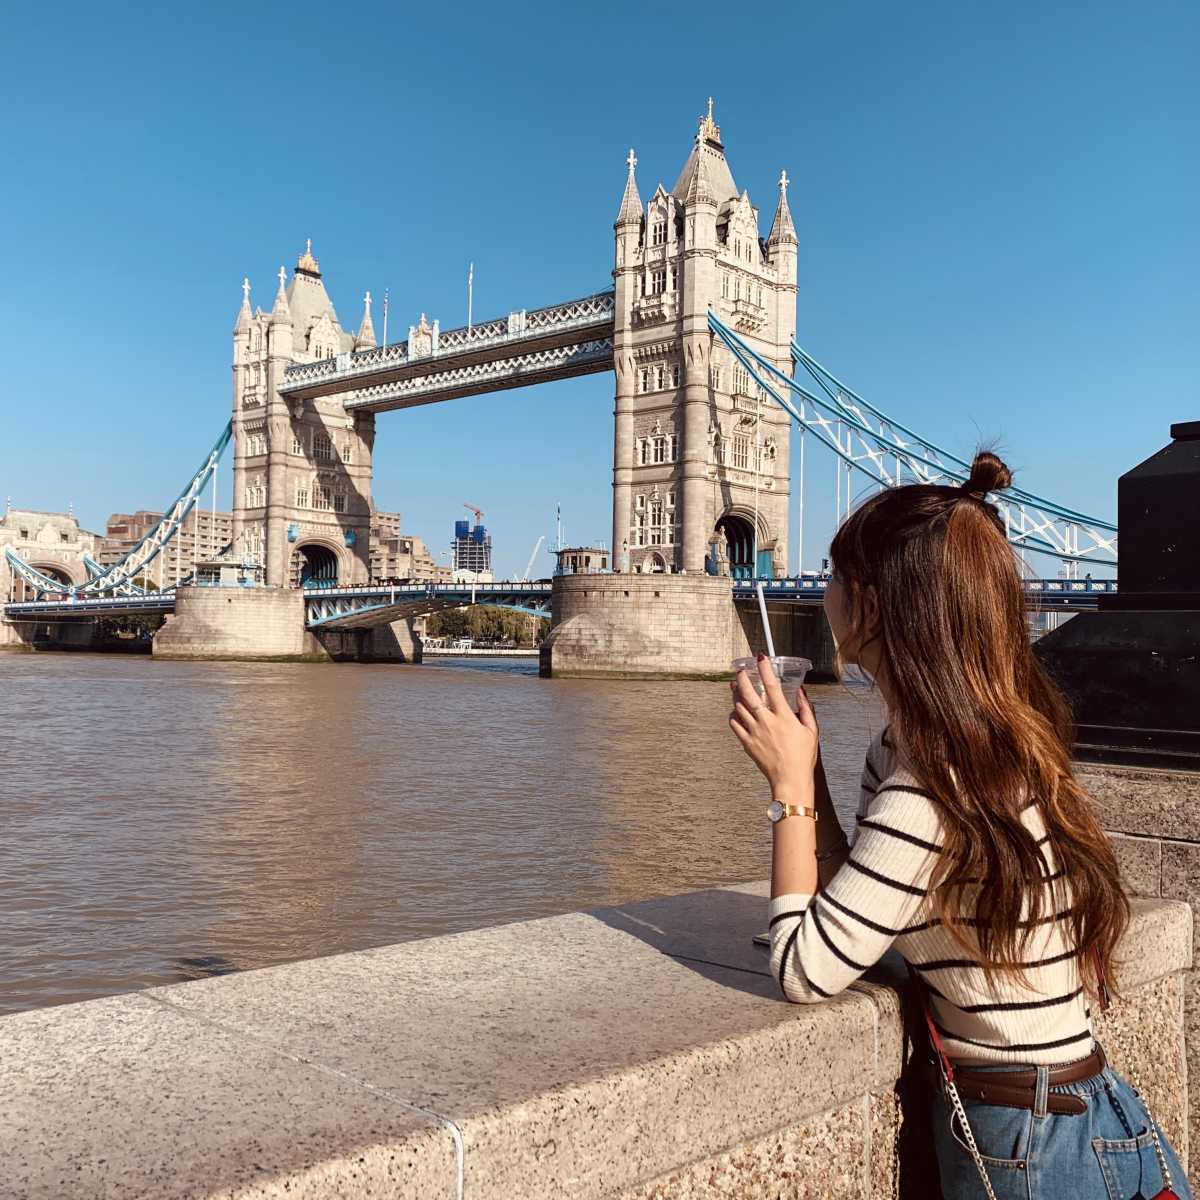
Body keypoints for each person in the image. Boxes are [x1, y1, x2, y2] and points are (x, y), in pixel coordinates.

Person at [728, 451, 1189, 1199]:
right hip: (1090, 1112)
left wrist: (786, 792)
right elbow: (868, 903)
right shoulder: (973, 744)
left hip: (1031, 1143)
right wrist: (808, 769)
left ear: (873, 606)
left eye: (834, 573)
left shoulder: (932, 783)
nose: (823, 591)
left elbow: (805, 968)